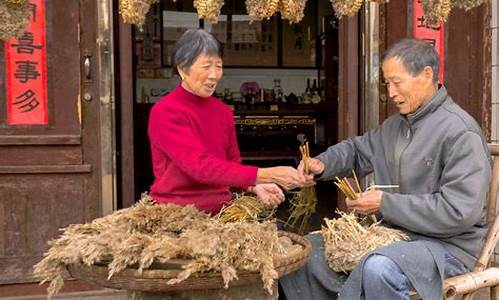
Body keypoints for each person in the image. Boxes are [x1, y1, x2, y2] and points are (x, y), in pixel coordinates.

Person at [280, 38, 492, 300]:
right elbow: (358, 151)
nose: (390, 92)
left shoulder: (461, 132)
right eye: (387, 83)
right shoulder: (395, 126)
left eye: (397, 82)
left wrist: (385, 203)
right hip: (393, 238)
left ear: (427, 75)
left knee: (379, 267)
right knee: (306, 251)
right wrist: (323, 163)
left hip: (446, 248)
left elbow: (459, 211)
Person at [148, 29, 306, 215]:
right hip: (177, 213)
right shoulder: (166, 111)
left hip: (222, 213)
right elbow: (200, 167)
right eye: (206, 66)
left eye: (219, 66)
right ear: (183, 69)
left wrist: (252, 187)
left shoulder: (222, 112)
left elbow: (232, 164)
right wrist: (265, 175)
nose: (214, 75)